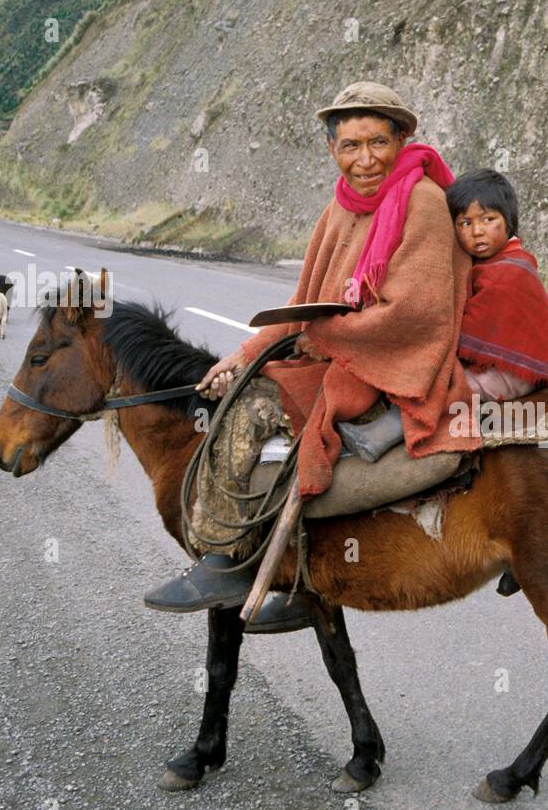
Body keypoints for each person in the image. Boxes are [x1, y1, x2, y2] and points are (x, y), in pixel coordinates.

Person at [144, 82, 479, 625]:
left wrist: (321, 340)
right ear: (331, 150)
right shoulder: (340, 208)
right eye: (350, 146)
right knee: (247, 383)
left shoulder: (423, 201)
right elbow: (303, 305)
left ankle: (223, 559)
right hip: (342, 353)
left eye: (376, 142)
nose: (364, 159)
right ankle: (300, 574)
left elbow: (416, 314)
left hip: (394, 363)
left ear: (402, 139)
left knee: (246, 411)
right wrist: (245, 353)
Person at [445, 169, 548, 401]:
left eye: (488, 219)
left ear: (509, 220)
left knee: (447, 394)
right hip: (503, 366)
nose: (477, 231)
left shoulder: (510, 271)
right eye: (465, 223)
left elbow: (474, 327)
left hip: (514, 372)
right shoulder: (485, 264)